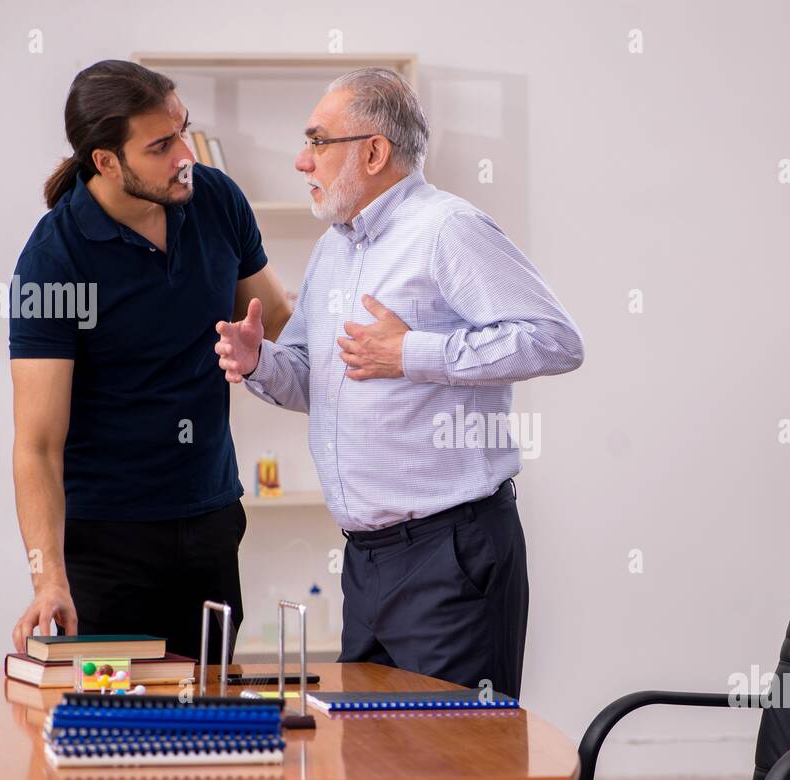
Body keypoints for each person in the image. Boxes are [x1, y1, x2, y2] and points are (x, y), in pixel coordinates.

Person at [215, 68, 583, 699]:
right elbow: (316, 379)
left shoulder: (448, 229)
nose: (302, 161)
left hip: (450, 554)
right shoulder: (334, 249)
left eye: (318, 141)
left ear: (374, 151)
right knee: (372, 767)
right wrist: (259, 364)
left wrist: (412, 352)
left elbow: (555, 339)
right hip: (366, 561)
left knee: (457, 770)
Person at [9, 60, 293, 660]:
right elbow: (37, 445)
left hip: (212, 520)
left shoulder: (216, 199)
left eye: (183, 131)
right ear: (106, 161)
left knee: (210, 734)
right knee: (118, 742)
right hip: (107, 543)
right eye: (161, 145)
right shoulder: (53, 259)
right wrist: (49, 579)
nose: (184, 154)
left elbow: (278, 317)